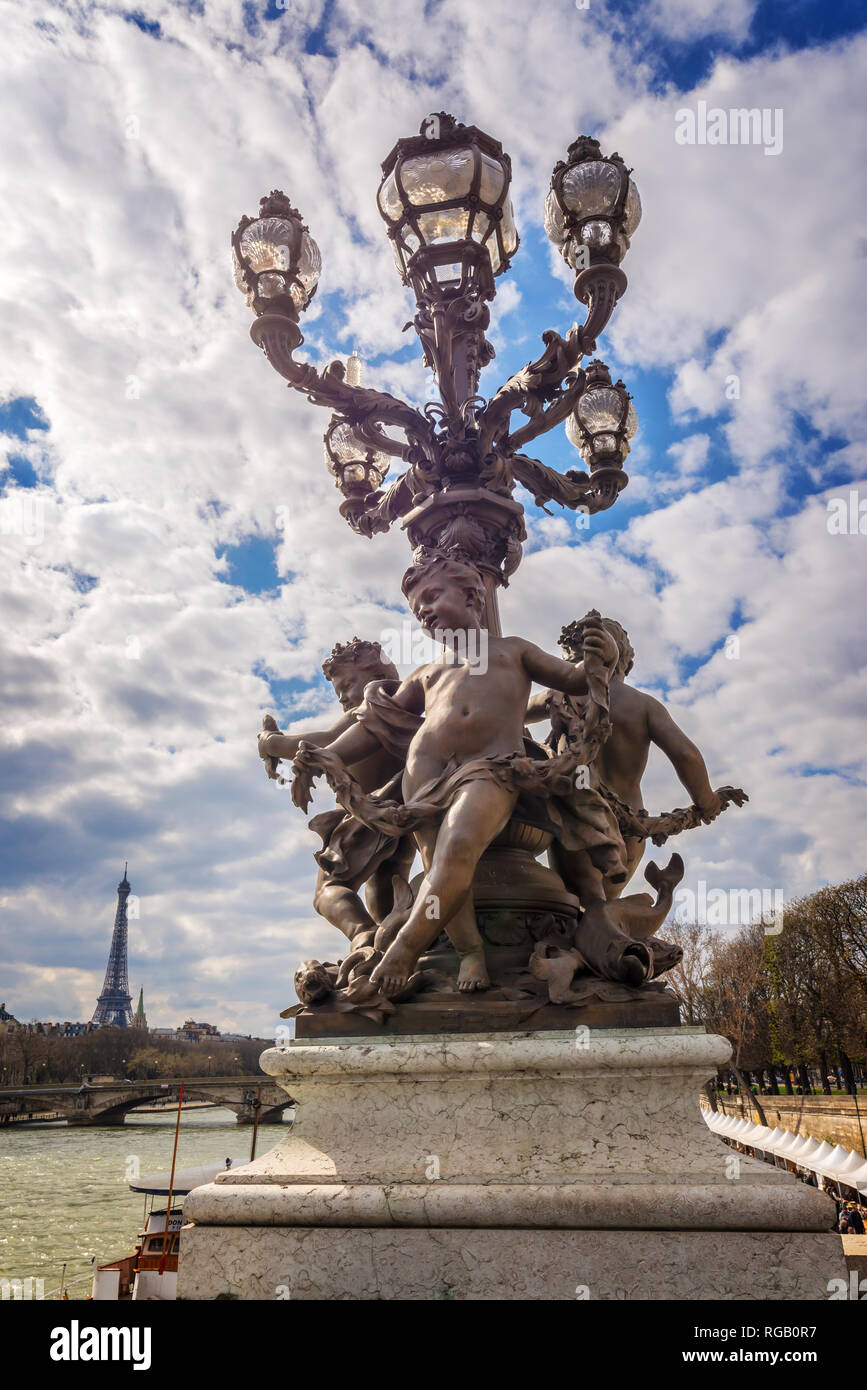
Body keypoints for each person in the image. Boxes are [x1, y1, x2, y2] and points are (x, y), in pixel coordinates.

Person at [291, 550, 621, 996]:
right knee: (436, 866)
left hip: (491, 768)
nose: (424, 611)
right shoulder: (427, 673)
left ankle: (406, 947)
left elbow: (576, 678)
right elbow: (373, 726)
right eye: (417, 608)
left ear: (471, 596)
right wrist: (323, 755)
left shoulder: (514, 650)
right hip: (423, 775)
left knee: (459, 847)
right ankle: (470, 950)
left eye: (432, 596)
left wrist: (603, 658)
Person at [258, 638, 415, 945]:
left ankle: (363, 935)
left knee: (327, 892)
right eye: (337, 692)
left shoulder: (372, 708)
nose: (343, 698)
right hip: (402, 819)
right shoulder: (407, 712)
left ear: (378, 675)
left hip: (365, 818)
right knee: (385, 893)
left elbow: (323, 742)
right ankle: (392, 941)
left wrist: (270, 743)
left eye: (347, 686)